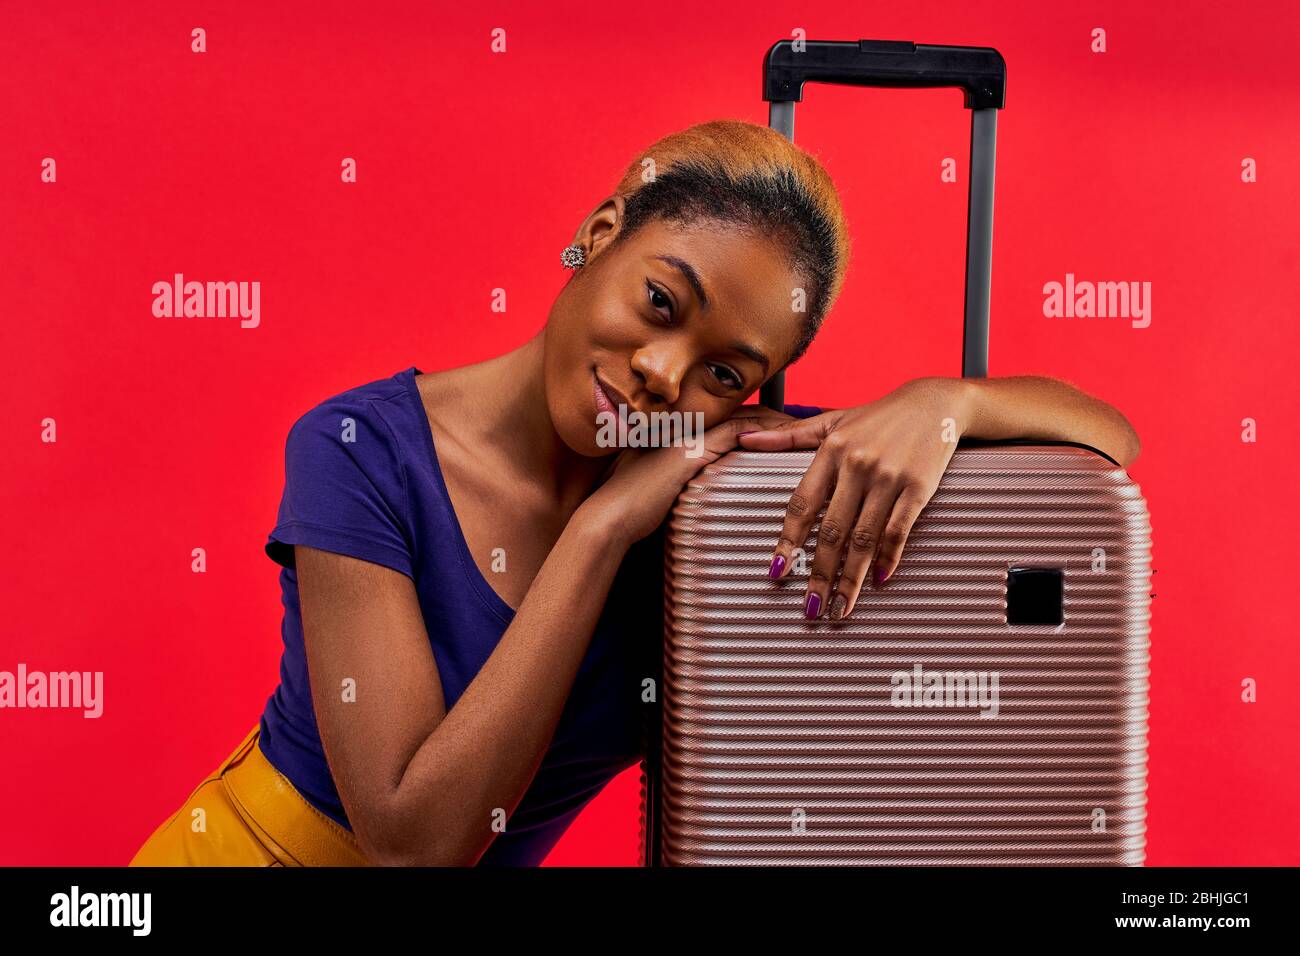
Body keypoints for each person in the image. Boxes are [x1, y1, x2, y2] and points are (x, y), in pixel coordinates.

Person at [128, 119, 1139, 867]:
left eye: (725, 374)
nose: (664, 375)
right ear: (599, 230)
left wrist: (945, 400)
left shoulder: (714, 490)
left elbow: (1108, 436)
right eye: (660, 301)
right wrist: (604, 526)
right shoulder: (359, 447)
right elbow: (414, 840)